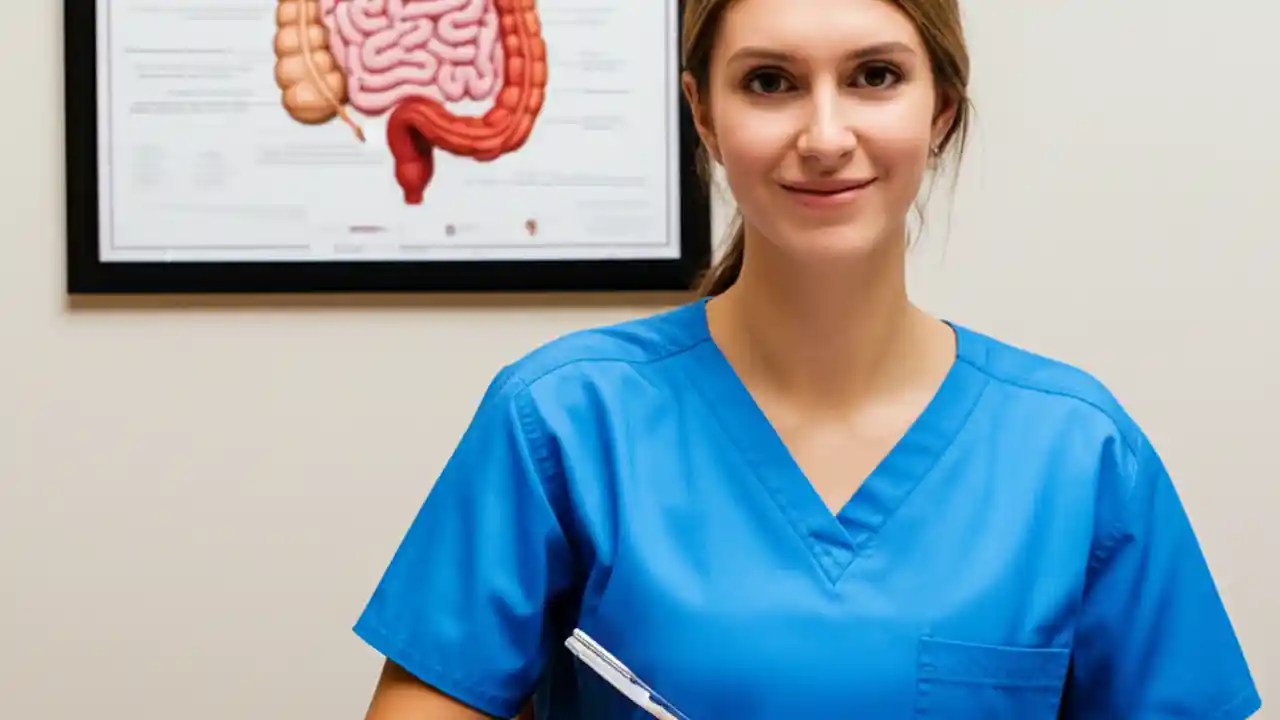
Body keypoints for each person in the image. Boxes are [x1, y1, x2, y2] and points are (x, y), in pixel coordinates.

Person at [353, 0, 1262, 717]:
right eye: (770, 82)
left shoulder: (1078, 453)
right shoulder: (560, 422)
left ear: (940, 108)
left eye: (874, 76)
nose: (825, 138)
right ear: (703, 115)